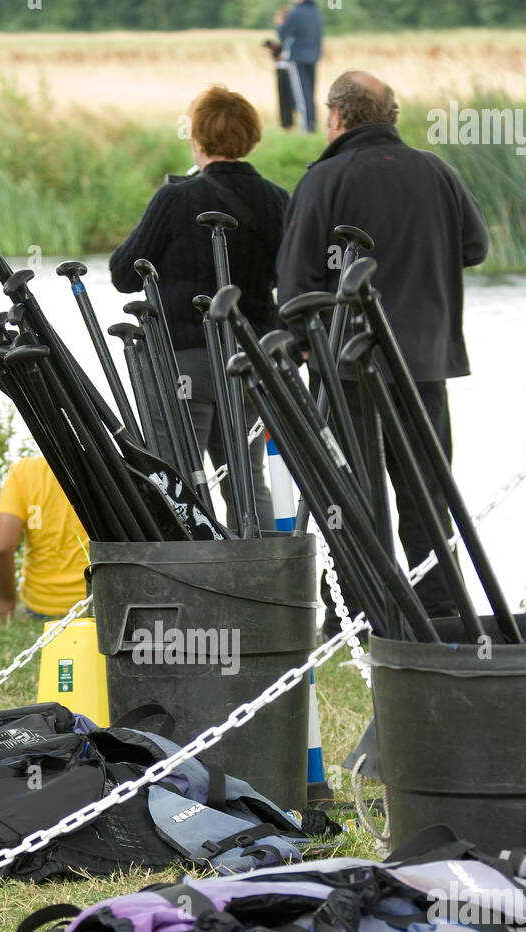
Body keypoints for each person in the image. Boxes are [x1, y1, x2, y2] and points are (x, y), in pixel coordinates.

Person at [276, 70, 490, 620]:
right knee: (427, 494)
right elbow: (475, 246)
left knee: (355, 496)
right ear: (390, 116)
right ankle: (440, 612)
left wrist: (300, 345)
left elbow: (296, 276)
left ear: (336, 117)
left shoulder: (325, 179)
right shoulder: (436, 171)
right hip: (425, 363)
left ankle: (363, 612)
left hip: (346, 367)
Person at [110, 86, 289, 533]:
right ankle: (264, 575)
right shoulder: (278, 200)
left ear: (196, 139)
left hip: (183, 358)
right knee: (248, 482)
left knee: (180, 480)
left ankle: (194, 578)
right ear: (252, 137)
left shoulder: (176, 199)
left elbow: (122, 273)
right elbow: (292, 278)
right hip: (252, 357)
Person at [0, 454, 89, 623]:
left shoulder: (22, 471)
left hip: (41, 606)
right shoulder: (105, 467)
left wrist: (5, 600)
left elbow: (2, 548)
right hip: (96, 602)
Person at [276, 0, 323, 134]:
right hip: (313, 57)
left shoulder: (295, 13)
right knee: (310, 93)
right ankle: (312, 125)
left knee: (301, 96)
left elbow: (282, 33)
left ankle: (306, 129)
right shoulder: (316, 12)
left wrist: (279, 24)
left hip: (297, 58)